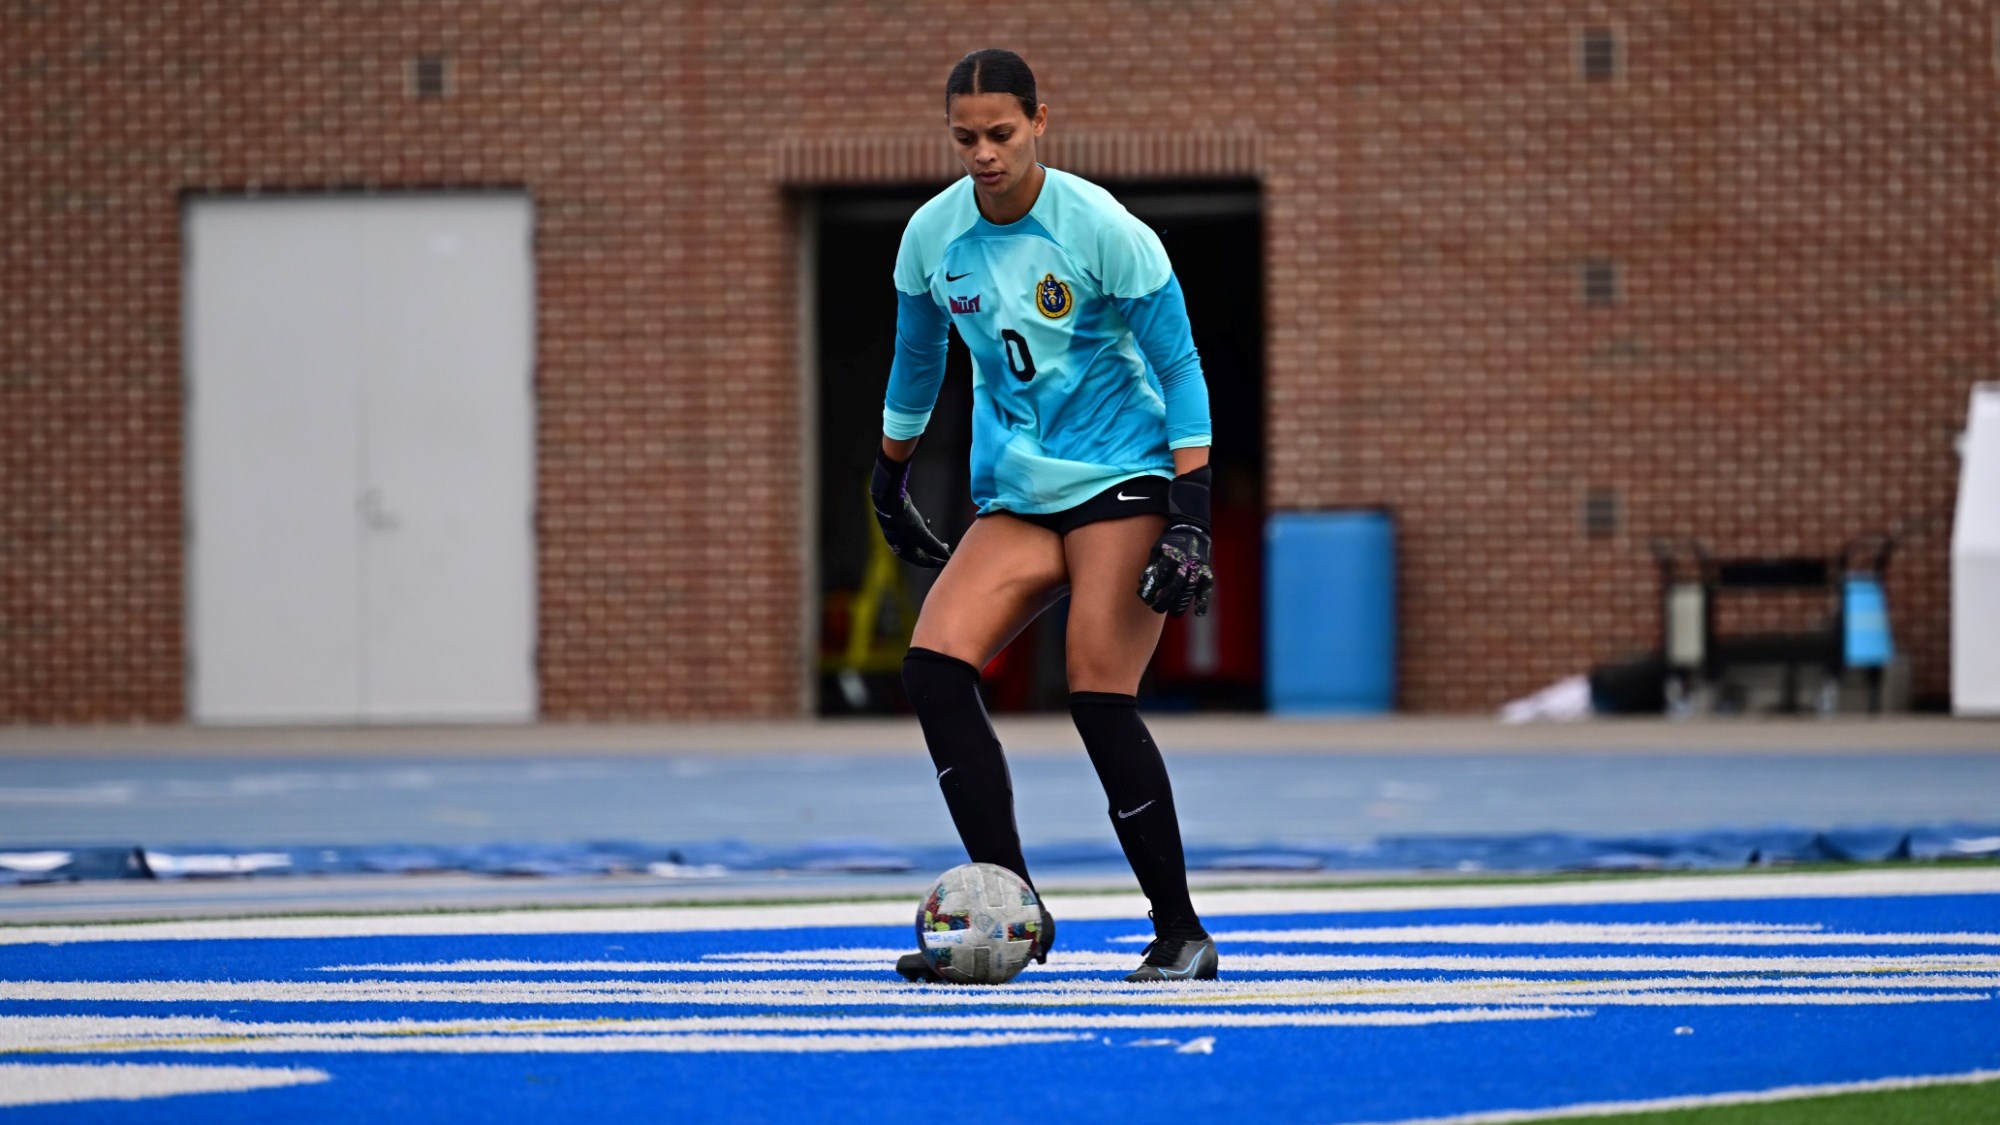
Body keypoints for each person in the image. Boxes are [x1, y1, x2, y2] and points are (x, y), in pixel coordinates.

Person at [871, 48, 1219, 983]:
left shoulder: (1103, 228)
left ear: (1039, 122)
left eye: (1000, 133)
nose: (983, 153)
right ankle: (1013, 915)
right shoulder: (932, 236)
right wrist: (887, 476)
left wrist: (1192, 516)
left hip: (1123, 477)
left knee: (1097, 695)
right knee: (933, 668)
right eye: (965, 138)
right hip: (1021, 491)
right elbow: (917, 364)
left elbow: (1180, 369)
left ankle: (1181, 930)